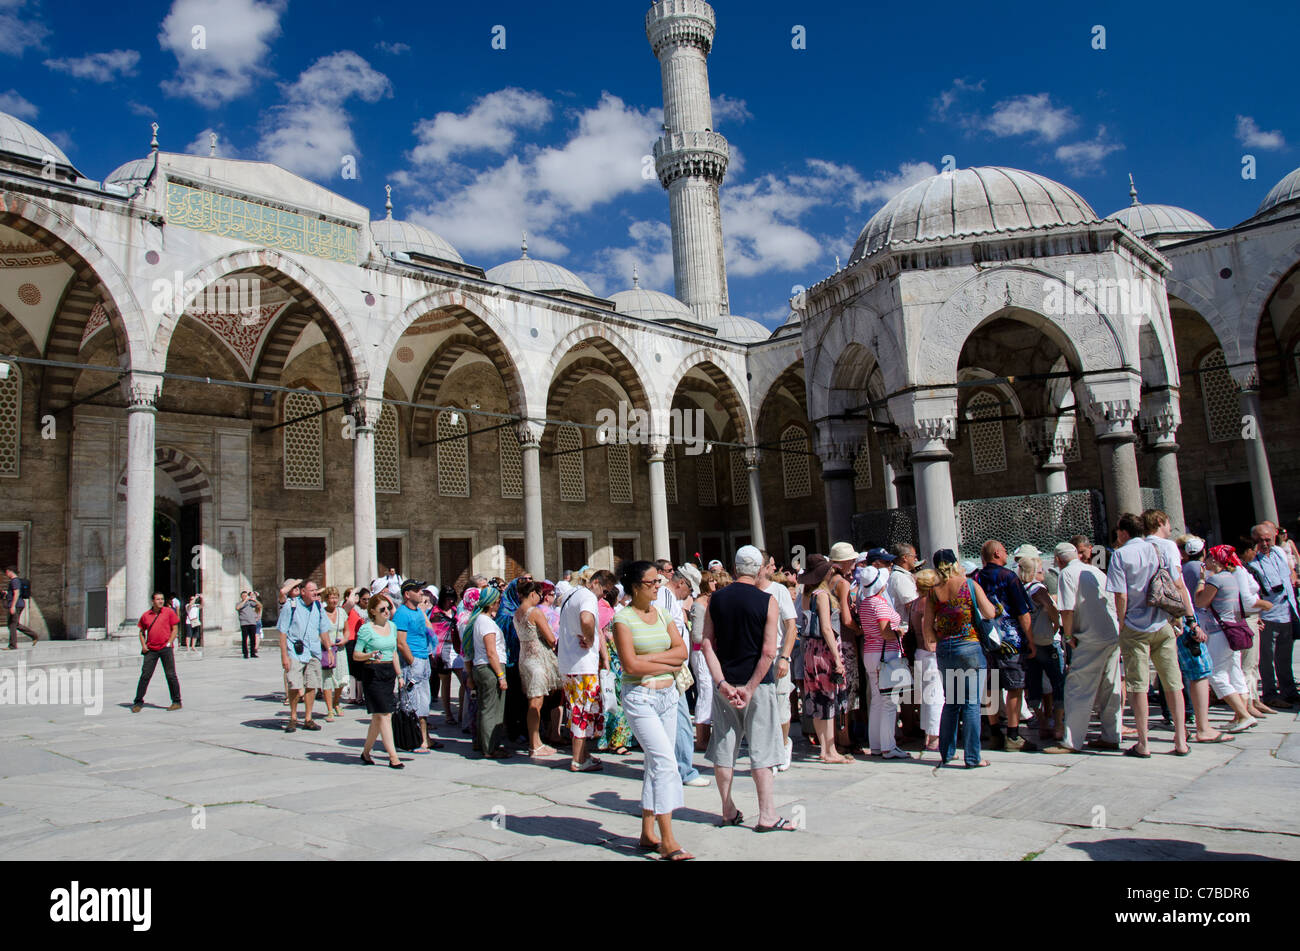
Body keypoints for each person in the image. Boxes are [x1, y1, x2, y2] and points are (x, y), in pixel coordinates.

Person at [701, 546, 793, 831]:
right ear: (760, 568)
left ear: (735, 567)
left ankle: (727, 810)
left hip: (725, 685)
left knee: (724, 750)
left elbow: (706, 643)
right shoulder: (768, 601)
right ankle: (767, 815)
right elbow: (768, 652)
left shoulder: (715, 599)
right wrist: (751, 688)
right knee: (762, 752)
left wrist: (721, 683)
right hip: (759, 685)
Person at [613, 560, 693, 860]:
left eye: (659, 581)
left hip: (668, 696)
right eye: (652, 583)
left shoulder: (661, 613)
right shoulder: (623, 619)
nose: (659, 586)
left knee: (655, 763)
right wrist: (666, 658)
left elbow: (682, 652)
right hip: (640, 698)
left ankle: (648, 833)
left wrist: (656, 660)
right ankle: (668, 840)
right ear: (636, 587)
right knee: (665, 763)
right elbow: (631, 665)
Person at [1107, 512, 1189, 757]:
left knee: (1138, 685)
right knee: (1173, 682)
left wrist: (1122, 622)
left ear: (1123, 532)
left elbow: (1120, 594)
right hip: (1161, 621)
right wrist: (1179, 616)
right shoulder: (1158, 549)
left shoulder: (1121, 555)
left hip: (1135, 624)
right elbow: (1174, 583)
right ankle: (1181, 739)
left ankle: (1143, 742)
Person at [1041, 543, 1123, 754]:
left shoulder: (1067, 574)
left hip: (1090, 636)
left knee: (1078, 688)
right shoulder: (1094, 570)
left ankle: (1071, 741)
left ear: (1058, 560)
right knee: (1110, 685)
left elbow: (1067, 610)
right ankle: (1111, 735)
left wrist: (1067, 636)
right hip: (1111, 633)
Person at [923, 550, 997, 768]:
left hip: (946, 649)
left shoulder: (933, 592)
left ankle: (946, 752)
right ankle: (973, 757)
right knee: (972, 704)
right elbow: (990, 613)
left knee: (952, 703)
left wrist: (934, 643)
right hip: (970, 647)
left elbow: (927, 626)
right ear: (955, 563)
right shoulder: (969, 585)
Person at [1197, 546, 1266, 734]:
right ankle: (1240, 717)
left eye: (1210, 557)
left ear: (1217, 560)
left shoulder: (1216, 579)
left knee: (1216, 674)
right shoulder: (1231, 577)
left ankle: (1243, 714)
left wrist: (1201, 581)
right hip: (1232, 630)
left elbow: (1200, 602)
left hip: (1221, 632)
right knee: (1234, 672)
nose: (1207, 560)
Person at [975, 540, 1035, 751]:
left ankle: (994, 733)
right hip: (1010, 640)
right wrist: (1031, 639)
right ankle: (1013, 734)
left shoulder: (975, 578)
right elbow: (1022, 612)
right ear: (998, 554)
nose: (1007, 553)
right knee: (1015, 687)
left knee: (991, 686)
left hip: (985, 638)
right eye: (1005, 550)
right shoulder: (1009, 577)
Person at [558, 570, 616, 771]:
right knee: (583, 710)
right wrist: (590, 638)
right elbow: (586, 619)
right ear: (596, 583)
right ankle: (578, 759)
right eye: (605, 591)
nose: (604, 596)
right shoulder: (589, 597)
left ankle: (582, 753)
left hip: (568, 663)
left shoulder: (571, 594)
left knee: (577, 708)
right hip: (582, 665)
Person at [799, 555, 851, 764]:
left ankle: (824, 748)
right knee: (829, 698)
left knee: (817, 700)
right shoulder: (822, 595)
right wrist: (837, 659)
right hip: (824, 650)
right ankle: (830, 750)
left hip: (810, 649)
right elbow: (827, 628)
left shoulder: (806, 594)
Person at [857, 563, 909, 758]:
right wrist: (900, 631)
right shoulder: (879, 603)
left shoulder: (865, 602)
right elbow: (885, 631)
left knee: (878, 700)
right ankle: (888, 746)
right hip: (885, 655)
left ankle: (877, 745)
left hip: (871, 653)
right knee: (888, 701)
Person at [1247, 522, 1300, 708]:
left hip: (1287, 611)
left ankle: (1289, 691)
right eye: (1260, 540)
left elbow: (1289, 574)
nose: (1265, 543)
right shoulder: (1252, 564)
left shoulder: (1279, 552)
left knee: (1285, 656)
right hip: (1267, 615)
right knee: (1267, 659)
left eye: (1268, 539)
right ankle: (1270, 694)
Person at [758, 552, 799, 771]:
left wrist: (784, 656)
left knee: (782, 706)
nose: (775, 569)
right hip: (755, 659)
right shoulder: (749, 590)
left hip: (777, 656)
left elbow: (791, 626)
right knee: (762, 709)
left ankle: (784, 743)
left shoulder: (779, 590)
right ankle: (769, 753)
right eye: (771, 565)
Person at [353, 594, 404, 768]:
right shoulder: (367, 629)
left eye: (388, 608)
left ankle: (366, 752)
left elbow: (394, 652)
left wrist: (400, 676)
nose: (386, 612)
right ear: (373, 611)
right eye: (382, 609)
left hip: (388, 672)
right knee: (385, 715)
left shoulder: (393, 626)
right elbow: (356, 654)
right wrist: (370, 654)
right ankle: (393, 757)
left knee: (378, 717)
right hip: (373, 672)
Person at [1018, 556, 1065, 742]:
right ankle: (1059, 724)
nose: (1043, 574)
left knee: (1034, 683)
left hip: (1029, 642)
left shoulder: (1019, 589)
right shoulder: (1038, 589)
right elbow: (1050, 607)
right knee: (1057, 681)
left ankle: (1043, 722)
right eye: (1040, 571)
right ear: (1033, 573)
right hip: (1046, 641)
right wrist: (1055, 624)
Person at [277, 580, 334, 733]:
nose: (316, 593)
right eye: (312, 590)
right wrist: (284, 656)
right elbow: (282, 632)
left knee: (312, 684)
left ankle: (308, 718)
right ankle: (293, 716)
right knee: (295, 685)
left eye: (317, 590)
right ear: (303, 592)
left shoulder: (318, 607)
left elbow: (323, 630)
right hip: (295, 651)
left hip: (313, 651)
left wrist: (328, 649)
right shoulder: (291, 605)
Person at [515, 578, 563, 756]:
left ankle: (535, 741)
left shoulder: (517, 612)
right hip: (538, 660)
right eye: (539, 595)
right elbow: (551, 638)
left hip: (525, 658)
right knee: (536, 702)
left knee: (532, 700)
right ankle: (535, 744)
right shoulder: (534, 612)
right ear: (533, 594)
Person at [465, 584, 510, 758]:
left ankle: (483, 743)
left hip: (481, 667)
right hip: (490, 668)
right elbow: (491, 652)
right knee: (492, 709)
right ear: (491, 603)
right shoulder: (486, 623)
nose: (499, 604)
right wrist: (501, 675)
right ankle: (490, 747)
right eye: (498, 601)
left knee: (485, 708)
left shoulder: (478, 620)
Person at [392, 580, 437, 753]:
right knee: (413, 702)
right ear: (407, 594)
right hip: (413, 662)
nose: (421, 593)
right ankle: (415, 739)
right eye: (417, 590)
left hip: (423, 659)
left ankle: (425, 738)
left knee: (424, 701)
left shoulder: (418, 611)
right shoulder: (402, 614)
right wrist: (412, 661)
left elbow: (428, 628)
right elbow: (401, 643)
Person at [908, 568, 942, 753]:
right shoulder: (927, 603)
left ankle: (929, 735)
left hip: (919, 653)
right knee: (936, 697)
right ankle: (934, 737)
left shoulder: (914, 604)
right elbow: (926, 629)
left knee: (928, 697)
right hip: (930, 654)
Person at [132, 592, 182, 713]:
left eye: (162, 599)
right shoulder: (146, 615)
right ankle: (138, 702)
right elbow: (141, 631)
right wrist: (143, 646)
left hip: (165, 648)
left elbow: (175, 628)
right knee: (145, 676)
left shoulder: (169, 612)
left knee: (171, 675)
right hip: (151, 649)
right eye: (158, 599)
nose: (160, 601)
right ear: (152, 601)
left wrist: (169, 642)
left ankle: (176, 701)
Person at [687, 568, 716, 751]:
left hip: (709, 650)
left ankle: (708, 733)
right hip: (700, 652)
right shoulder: (698, 605)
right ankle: (701, 737)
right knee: (705, 691)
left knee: (710, 691)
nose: (715, 583)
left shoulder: (709, 602)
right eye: (712, 580)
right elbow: (697, 635)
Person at [320, 587, 350, 721]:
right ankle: (329, 709)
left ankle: (336, 702)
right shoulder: (321, 613)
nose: (334, 600)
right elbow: (318, 631)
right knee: (327, 679)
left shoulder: (342, 612)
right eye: (331, 597)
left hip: (340, 649)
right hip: (327, 650)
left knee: (341, 679)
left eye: (336, 597)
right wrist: (326, 643)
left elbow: (347, 630)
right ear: (326, 599)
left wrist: (345, 639)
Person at [5, 566, 39, 649]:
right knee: (14, 624)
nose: (6, 574)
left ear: (10, 571)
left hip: (16, 605)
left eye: (6, 572)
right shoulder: (15, 581)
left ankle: (12, 645)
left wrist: (13, 606)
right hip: (18, 604)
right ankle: (34, 635)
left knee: (13, 625)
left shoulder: (15, 581)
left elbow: (16, 593)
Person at [237, 590, 262, 659]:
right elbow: (238, 608)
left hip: (252, 622)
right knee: (244, 639)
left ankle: (253, 653)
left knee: (253, 639)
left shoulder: (250, 603)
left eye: (246, 596)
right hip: (244, 623)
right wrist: (245, 601)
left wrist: (254, 600)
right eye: (243, 596)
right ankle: (245, 654)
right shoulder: (239, 603)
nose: (245, 597)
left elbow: (260, 606)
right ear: (241, 597)